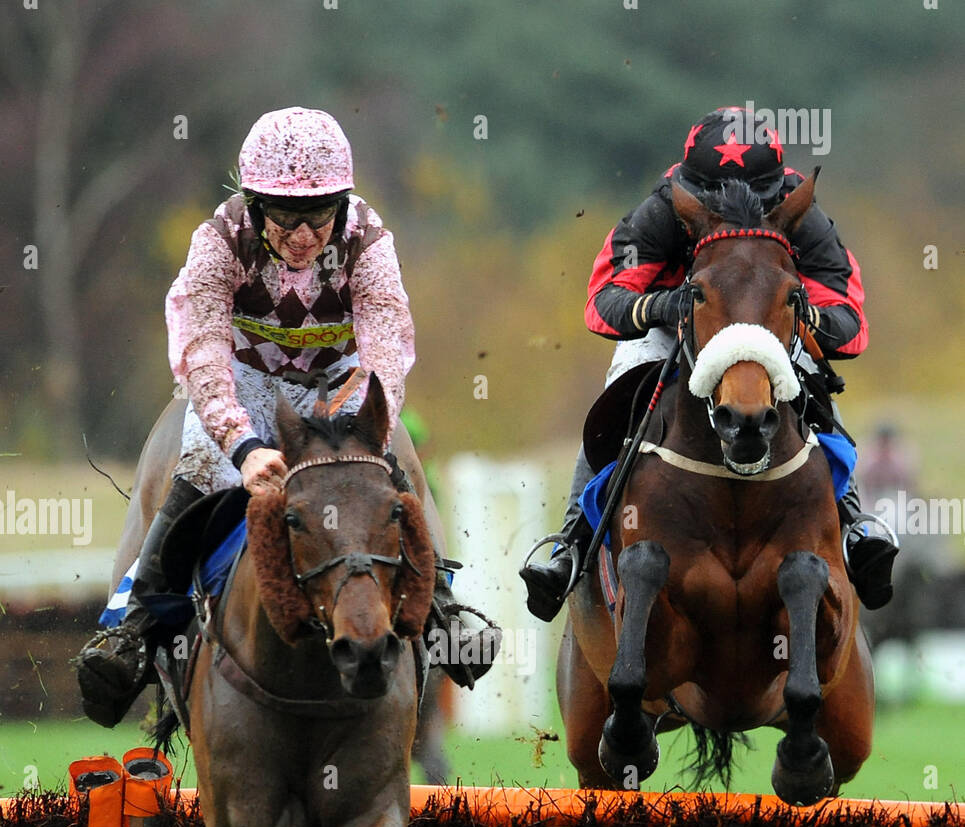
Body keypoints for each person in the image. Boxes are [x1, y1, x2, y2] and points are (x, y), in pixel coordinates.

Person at [76, 106, 497, 727]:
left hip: (339, 377)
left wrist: (360, 429)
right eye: (285, 215)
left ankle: (444, 608)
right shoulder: (216, 243)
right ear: (252, 204)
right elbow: (205, 357)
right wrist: (244, 448)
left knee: (389, 461)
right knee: (198, 462)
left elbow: (384, 350)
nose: (304, 234)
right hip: (239, 377)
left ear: (341, 204)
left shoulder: (369, 239)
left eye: (319, 214)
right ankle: (133, 630)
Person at [520, 106, 899, 620]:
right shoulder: (662, 208)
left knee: (811, 385)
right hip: (671, 327)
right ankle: (570, 543)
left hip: (767, 328)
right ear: (691, 191)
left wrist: (801, 313)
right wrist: (663, 306)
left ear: (777, 194)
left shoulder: (800, 212)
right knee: (619, 394)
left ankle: (853, 525)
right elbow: (602, 300)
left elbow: (850, 322)